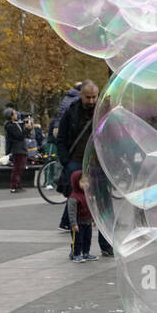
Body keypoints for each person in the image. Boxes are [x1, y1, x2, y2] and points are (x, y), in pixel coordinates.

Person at [56, 81, 100, 232]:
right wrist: (65, 161)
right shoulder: (71, 112)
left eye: (94, 97)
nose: (92, 101)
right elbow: (61, 137)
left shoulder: (102, 111)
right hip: (75, 159)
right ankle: (70, 221)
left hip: (96, 160)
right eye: (88, 97)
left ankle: (71, 221)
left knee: (97, 193)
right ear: (81, 95)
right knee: (75, 193)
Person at [66, 169, 96, 261]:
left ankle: (86, 253)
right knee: (78, 240)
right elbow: (72, 212)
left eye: (87, 181)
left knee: (87, 239)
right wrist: (73, 224)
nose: (86, 184)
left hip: (87, 222)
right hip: (78, 223)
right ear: (75, 182)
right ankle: (76, 254)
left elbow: (91, 208)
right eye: (83, 181)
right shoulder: (74, 197)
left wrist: (94, 219)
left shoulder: (88, 195)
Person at [4, 107, 28, 193]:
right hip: (17, 149)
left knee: (20, 168)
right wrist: (27, 129)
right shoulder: (10, 126)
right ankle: (14, 186)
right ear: (10, 116)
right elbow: (20, 136)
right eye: (14, 113)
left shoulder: (16, 123)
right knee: (17, 168)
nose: (16, 114)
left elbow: (23, 133)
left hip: (21, 148)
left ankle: (17, 184)